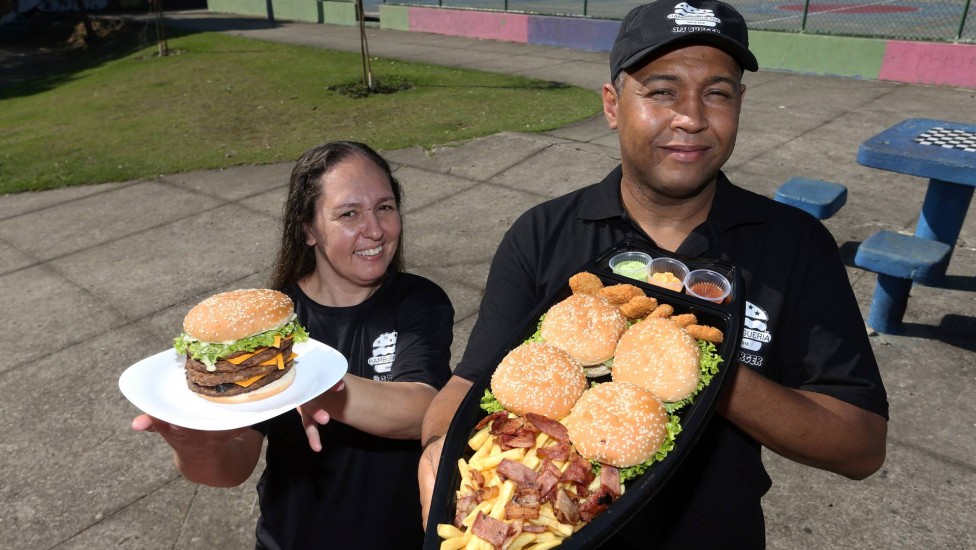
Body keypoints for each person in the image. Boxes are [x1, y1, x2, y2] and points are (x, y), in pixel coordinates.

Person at [418, 1, 888, 548]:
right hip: (549, 527)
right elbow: (471, 380)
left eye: (717, 92)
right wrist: (435, 448)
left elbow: (861, 446)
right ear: (613, 105)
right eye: (662, 91)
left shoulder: (795, 244)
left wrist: (701, 369)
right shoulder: (543, 233)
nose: (691, 116)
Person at [133, 141, 454, 549]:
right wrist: (196, 450)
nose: (374, 229)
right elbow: (234, 467)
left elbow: (423, 411)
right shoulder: (270, 327)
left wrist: (312, 384)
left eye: (385, 207)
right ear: (307, 229)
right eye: (349, 213)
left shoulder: (418, 301)